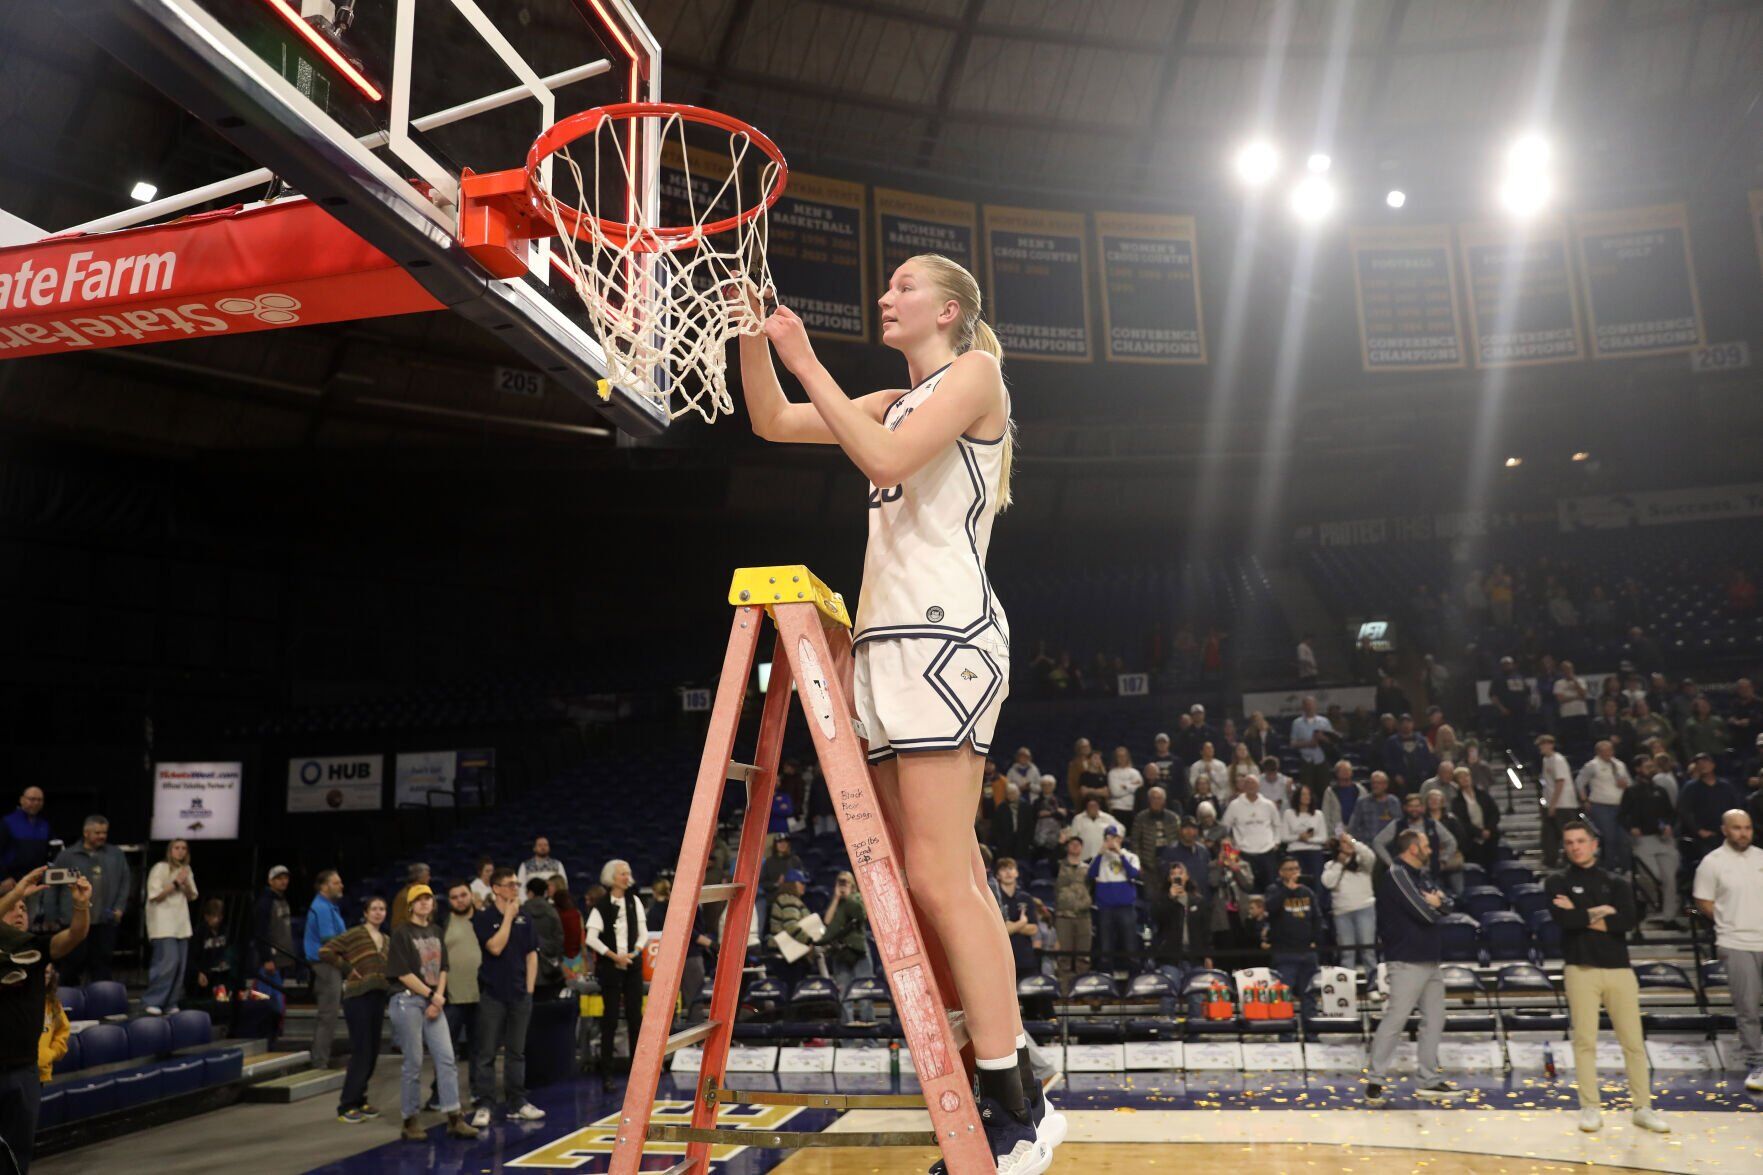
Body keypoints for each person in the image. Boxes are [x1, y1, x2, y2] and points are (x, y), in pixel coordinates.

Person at [742, 252, 1058, 1165]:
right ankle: (1014, 1071)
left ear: (949, 308)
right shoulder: (890, 397)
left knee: (936, 876)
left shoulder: (976, 374)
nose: (885, 295)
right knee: (935, 878)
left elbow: (876, 457)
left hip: (942, 633)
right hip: (884, 643)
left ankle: (1015, 1114)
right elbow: (768, 422)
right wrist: (750, 334)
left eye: (904, 286)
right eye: (883, 285)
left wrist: (806, 357)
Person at [1546, 821, 1669, 1133]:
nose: (1575, 846)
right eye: (1569, 842)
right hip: (1579, 969)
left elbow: (1625, 922)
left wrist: (1581, 912)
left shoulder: (1616, 882)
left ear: (1594, 844)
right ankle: (1590, 1107)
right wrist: (1600, 911)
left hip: (1619, 969)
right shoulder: (1556, 880)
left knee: (1633, 1042)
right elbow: (1565, 920)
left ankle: (1642, 1107)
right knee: (1585, 1041)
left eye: (1580, 841)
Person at [0, 868, 90, 1173]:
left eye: (24, 907)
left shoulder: (34, 948)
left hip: (25, 1069)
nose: (19, 911)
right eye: (12, 907)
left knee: (18, 1154)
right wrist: (18, 890)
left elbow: (75, 934)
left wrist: (81, 904)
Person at [1365, 830, 1465, 1105]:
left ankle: (1429, 1080)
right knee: (1395, 1020)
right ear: (1411, 848)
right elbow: (1425, 912)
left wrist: (1438, 904)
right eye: (1424, 846)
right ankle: (1375, 1080)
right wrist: (1436, 905)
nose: (1430, 850)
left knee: (1434, 1020)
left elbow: (1449, 903)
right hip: (1406, 959)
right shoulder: (1398, 874)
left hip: (1430, 958)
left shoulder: (1421, 874)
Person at [385, 885, 478, 1142]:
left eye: (428, 898)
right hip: (408, 1001)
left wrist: (438, 997)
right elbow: (402, 973)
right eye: (419, 900)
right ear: (411, 906)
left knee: (447, 1058)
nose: (425, 903)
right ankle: (410, 1120)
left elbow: (444, 967)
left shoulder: (437, 931)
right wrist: (431, 995)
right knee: (413, 1062)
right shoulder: (401, 933)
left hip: (432, 1000)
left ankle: (454, 1116)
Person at [1692, 810, 1763, 1093]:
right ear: (1725, 830)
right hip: (1736, 943)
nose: (1743, 833)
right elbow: (1703, 901)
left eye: (1747, 828)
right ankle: (1757, 1064)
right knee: (1747, 1008)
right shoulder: (1712, 863)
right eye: (1737, 828)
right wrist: (1730, 920)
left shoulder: (1761, 857)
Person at [471, 868, 542, 1126]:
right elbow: (495, 947)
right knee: (487, 1052)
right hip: (493, 994)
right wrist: (509, 918)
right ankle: (485, 1104)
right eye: (510, 884)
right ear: (496, 889)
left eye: (517, 883)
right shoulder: (484, 917)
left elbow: (532, 953)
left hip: (520, 994)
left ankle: (517, 1102)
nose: (515, 888)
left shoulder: (526, 918)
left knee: (517, 1052)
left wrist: (530, 989)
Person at [323, 894, 389, 1124]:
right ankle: (346, 1104)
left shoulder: (386, 939)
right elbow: (326, 951)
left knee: (372, 1051)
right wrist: (347, 969)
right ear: (366, 913)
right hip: (357, 997)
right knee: (361, 1050)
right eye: (374, 909)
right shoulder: (355, 934)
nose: (378, 912)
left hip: (378, 996)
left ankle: (360, 1099)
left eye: (382, 909)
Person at [587, 859, 649, 1093]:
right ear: (612, 877)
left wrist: (634, 952)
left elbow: (643, 934)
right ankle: (607, 1075)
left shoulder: (635, 901)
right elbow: (591, 938)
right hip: (611, 969)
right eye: (623, 873)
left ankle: (638, 1072)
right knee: (609, 1020)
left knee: (636, 1019)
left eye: (628, 873)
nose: (627, 877)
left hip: (632, 965)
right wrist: (614, 956)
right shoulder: (601, 905)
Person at [44, 815, 128, 983]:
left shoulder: (116, 855)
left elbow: (125, 882)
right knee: (71, 965)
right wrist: (51, 916)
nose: (102, 836)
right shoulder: (67, 856)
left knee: (102, 965)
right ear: (86, 832)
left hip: (105, 921)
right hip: (73, 922)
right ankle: (68, 1003)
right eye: (97, 832)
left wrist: (119, 908)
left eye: (104, 832)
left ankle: (103, 1004)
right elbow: (52, 888)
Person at [431, 882, 481, 1111]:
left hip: (481, 995)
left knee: (479, 1049)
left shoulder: (484, 919)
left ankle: (478, 1091)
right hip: (451, 996)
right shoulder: (443, 923)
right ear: (449, 901)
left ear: (471, 895)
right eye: (454, 897)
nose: (460, 900)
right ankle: (438, 1094)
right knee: (445, 1050)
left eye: (463, 895)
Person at [140, 838, 198, 1015]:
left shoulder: (186, 870)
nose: (180, 851)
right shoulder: (160, 868)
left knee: (180, 965)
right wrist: (174, 883)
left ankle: (171, 1002)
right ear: (170, 850)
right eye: (177, 848)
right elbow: (155, 895)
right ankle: (153, 1000)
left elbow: (192, 896)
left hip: (181, 925)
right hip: (163, 924)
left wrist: (185, 883)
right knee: (167, 964)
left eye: (184, 848)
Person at [1619, 764, 1681, 925]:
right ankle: (1649, 907)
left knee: (1669, 878)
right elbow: (1621, 816)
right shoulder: (1631, 791)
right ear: (1638, 769)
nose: (1650, 769)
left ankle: (1668, 915)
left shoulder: (1661, 791)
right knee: (1652, 876)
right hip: (1643, 840)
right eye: (1646, 766)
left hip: (1663, 839)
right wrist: (1631, 828)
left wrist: (1669, 826)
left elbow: (1671, 814)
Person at [1265, 857, 1320, 1017]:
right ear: (1281, 872)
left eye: (1296, 868)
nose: (1294, 872)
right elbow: (1270, 908)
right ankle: (1286, 1034)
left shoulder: (1307, 891)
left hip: (1307, 952)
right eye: (1289, 869)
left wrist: (1316, 941)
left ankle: (1312, 1033)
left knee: (1309, 994)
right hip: (1285, 953)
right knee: (1283, 994)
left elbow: (1317, 918)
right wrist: (1287, 890)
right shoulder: (1274, 890)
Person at [304, 870, 347, 1069]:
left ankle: (322, 1058)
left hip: (330, 964)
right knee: (327, 1015)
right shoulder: (321, 907)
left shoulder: (328, 906)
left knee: (329, 1014)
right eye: (336, 882)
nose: (341, 885)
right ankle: (319, 1061)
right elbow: (329, 941)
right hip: (326, 965)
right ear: (324, 886)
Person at [1087, 825, 1140, 975]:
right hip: (1105, 908)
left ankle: (1134, 981)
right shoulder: (1100, 857)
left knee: (1131, 947)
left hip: (1126, 908)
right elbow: (1091, 874)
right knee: (1105, 947)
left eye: (1114, 838)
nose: (1111, 842)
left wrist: (1120, 854)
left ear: (1120, 839)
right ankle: (1106, 981)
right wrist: (1100, 853)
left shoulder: (1130, 856)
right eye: (1108, 838)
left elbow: (1133, 874)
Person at [820, 871, 873, 1022]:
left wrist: (849, 896)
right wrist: (836, 898)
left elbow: (861, 916)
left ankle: (870, 1039)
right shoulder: (836, 902)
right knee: (844, 995)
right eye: (840, 882)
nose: (843, 885)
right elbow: (827, 922)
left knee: (865, 992)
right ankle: (847, 1039)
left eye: (846, 882)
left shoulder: (857, 899)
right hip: (841, 952)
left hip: (859, 951)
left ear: (853, 885)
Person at [1323, 834, 1377, 973]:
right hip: (1342, 913)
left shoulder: (1362, 862)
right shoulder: (1331, 865)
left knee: (1368, 951)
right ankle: (1347, 988)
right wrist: (1340, 864)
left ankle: (1373, 987)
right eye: (1344, 843)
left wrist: (1353, 841)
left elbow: (1370, 856)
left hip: (1364, 908)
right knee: (1347, 953)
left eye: (1349, 843)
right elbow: (1328, 883)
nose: (1348, 845)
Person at [1575, 741, 1633, 871]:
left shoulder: (1620, 764)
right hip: (1602, 806)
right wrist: (1584, 800)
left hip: (1621, 806)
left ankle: (1626, 869)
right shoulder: (1592, 766)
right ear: (1598, 752)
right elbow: (1579, 782)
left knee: (1624, 839)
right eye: (1605, 751)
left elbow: (1630, 782)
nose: (1608, 753)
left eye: (1610, 750)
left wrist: (1626, 784)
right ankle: (1608, 868)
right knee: (1609, 837)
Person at [1373, 793, 1458, 880]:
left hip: (1430, 873)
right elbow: (1377, 842)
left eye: (1417, 806)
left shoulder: (1432, 824)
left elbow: (1451, 842)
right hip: (1404, 874)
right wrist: (1390, 863)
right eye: (1411, 806)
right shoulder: (1397, 824)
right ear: (1405, 808)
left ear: (1423, 808)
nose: (1414, 809)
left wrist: (1443, 860)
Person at [1222, 772, 1281, 891]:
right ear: (1243, 786)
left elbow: (1277, 825)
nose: (1250, 786)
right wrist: (1231, 851)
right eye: (1247, 783)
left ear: (1258, 785)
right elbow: (1224, 828)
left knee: (1271, 887)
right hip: (1244, 853)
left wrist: (1276, 842)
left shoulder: (1268, 805)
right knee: (1247, 888)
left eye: (1253, 783)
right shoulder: (1234, 805)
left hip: (1267, 852)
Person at [1052, 835, 1093, 984]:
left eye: (1078, 844)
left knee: (1083, 955)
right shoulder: (1058, 865)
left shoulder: (1088, 869)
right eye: (1072, 843)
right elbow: (1050, 860)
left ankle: (1082, 990)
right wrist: (1059, 843)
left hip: (1084, 916)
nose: (1075, 846)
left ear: (1082, 848)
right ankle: (1065, 991)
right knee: (1064, 956)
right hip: (1063, 916)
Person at [1149, 862, 1205, 966]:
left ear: (1187, 877)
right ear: (1169, 878)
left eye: (1180, 873)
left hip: (1195, 956)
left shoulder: (1198, 900)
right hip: (1170, 957)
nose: (1177, 876)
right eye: (1173, 874)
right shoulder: (1161, 900)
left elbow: (1205, 930)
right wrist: (1170, 898)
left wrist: (1208, 956)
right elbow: (1157, 918)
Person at [1538, 734, 1578, 870]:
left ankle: (1570, 860)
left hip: (1563, 804)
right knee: (1549, 833)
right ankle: (1551, 859)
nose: (1542, 747)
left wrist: (1553, 804)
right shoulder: (1546, 760)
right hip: (1551, 803)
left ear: (1551, 745)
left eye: (1544, 744)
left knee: (1566, 833)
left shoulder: (1558, 760)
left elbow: (1560, 782)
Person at [1449, 767, 1501, 872]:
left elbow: (1494, 813)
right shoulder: (1457, 802)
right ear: (1457, 782)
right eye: (1461, 778)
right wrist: (1479, 832)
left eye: (1466, 776)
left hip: (1490, 837)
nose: (1465, 779)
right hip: (1471, 840)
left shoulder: (1483, 795)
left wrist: (1489, 829)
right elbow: (1461, 822)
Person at [995, 859, 1039, 980]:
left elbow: (1033, 929)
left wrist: (1011, 926)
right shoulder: (994, 898)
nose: (1008, 872)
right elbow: (997, 931)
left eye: (1011, 869)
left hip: (1025, 959)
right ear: (998, 875)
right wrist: (1022, 923)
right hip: (1001, 958)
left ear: (1017, 873)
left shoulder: (1026, 897)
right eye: (1003, 869)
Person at [522, 877, 565, 1000]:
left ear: (530, 893)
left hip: (526, 970)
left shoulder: (521, 912)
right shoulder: (552, 912)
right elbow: (559, 940)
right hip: (549, 969)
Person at [253, 865, 298, 977]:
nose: (283, 881)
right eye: (279, 878)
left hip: (286, 957)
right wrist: (266, 959)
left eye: (285, 878)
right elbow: (261, 932)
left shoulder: (284, 900)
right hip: (273, 960)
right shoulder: (265, 904)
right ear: (270, 881)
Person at [1289, 696, 1336, 795]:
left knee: (1324, 791)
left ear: (1316, 706)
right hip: (1306, 761)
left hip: (1322, 760)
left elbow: (1332, 741)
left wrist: (1322, 738)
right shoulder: (1297, 723)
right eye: (1307, 705)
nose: (1309, 707)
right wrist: (1308, 744)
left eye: (1311, 705)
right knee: (1307, 791)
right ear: (1303, 707)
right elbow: (1292, 743)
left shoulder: (1324, 722)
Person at [191, 898, 235, 1002]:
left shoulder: (225, 930)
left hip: (223, 973)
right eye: (215, 916)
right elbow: (192, 956)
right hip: (207, 975)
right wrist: (198, 973)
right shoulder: (199, 932)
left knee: (225, 999)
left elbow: (229, 950)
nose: (218, 919)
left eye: (220, 916)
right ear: (207, 916)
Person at [1129, 786, 1181, 872]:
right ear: (1149, 800)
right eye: (1153, 798)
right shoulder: (1140, 818)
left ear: (1164, 801)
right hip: (1147, 864)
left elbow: (1179, 839)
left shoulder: (1173, 818)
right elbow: (1135, 842)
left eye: (1159, 798)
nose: (1156, 801)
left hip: (1170, 864)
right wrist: (1137, 863)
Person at [1281, 785, 1327, 881]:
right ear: (1297, 796)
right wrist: (1299, 837)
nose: (1307, 797)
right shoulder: (1288, 814)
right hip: (1295, 852)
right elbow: (1284, 837)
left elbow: (1323, 838)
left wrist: (1308, 839)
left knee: (1316, 882)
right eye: (1303, 794)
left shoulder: (1318, 814)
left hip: (1314, 853)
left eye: (1308, 794)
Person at [1346, 771, 1401, 846]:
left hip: (1388, 846)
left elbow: (1399, 826)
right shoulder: (1362, 802)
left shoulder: (1394, 802)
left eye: (1378, 783)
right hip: (1367, 846)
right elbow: (1352, 828)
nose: (1375, 786)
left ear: (1386, 785)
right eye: (1373, 783)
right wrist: (1357, 844)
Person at [37, 966, 68, 1085]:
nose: (42, 977)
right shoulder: (16, 1002)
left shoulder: (53, 1004)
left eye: (46, 973)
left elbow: (62, 1032)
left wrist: (51, 1053)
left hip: (40, 1073)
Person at [1321, 761, 1366, 837]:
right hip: (1337, 827)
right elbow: (1326, 814)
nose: (1346, 772)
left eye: (1348, 770)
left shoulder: (1360, 790)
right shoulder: (1330, 791)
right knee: (1342, 841)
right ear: (1337, 773)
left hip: (1357, 829)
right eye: (1343, 770)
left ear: (1352, 772)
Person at [391, 864, 431, 929]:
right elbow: (397, 922)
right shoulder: (403, 896)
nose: (429, 878)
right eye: (427, 875)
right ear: (419, 877)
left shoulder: (428, 894)